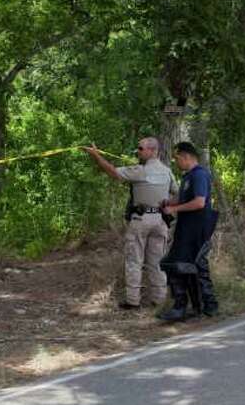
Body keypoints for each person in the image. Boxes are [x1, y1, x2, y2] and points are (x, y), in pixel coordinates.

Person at [83, 137, 177, 310]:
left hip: (141, 220)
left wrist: (96, 156)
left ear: (152, 150)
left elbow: (113, 172)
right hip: (160, 221)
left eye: (140, 148)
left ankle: (133, 301)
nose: (138, 151)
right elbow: (176, 193)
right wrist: (166, 206)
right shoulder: (167, 171)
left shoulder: (140, 171)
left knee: (134, 260)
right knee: (157, 262)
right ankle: (160, 300)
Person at [158, 142, 219, 322]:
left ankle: (199, 306)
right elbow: (184, 197)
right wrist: (170, 202)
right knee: (179, 265)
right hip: (186, 229)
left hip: (198, 229)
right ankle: (194, 306)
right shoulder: (188, 176)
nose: (177, 162)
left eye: (177, 158)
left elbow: (200, 202)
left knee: (193, 266)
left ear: (186, 157)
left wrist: (175, 210)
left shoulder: (200, 175)